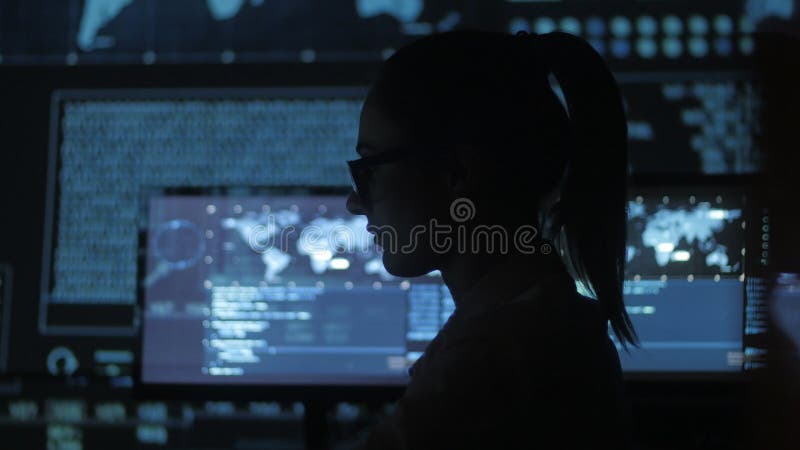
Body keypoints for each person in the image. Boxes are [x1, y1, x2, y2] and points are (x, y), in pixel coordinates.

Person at [346, 29, 636, 450]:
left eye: (370, 169)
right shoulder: (553, 323)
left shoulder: (483, 367)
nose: (356, 200)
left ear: (457, 174)